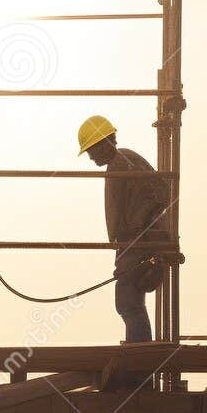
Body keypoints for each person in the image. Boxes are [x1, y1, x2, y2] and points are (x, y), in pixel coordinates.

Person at [77, 115, 167, 344]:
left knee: (127, 301)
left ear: (104, 143)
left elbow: (143, 209)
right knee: (131, 300)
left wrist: (139, 251)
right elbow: (162, 193)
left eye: (91, 150)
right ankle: (139, 351)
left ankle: (139, 355)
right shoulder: (127, 160)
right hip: (142, 239)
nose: (90, 157)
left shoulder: (120, 165)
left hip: (136, 240)